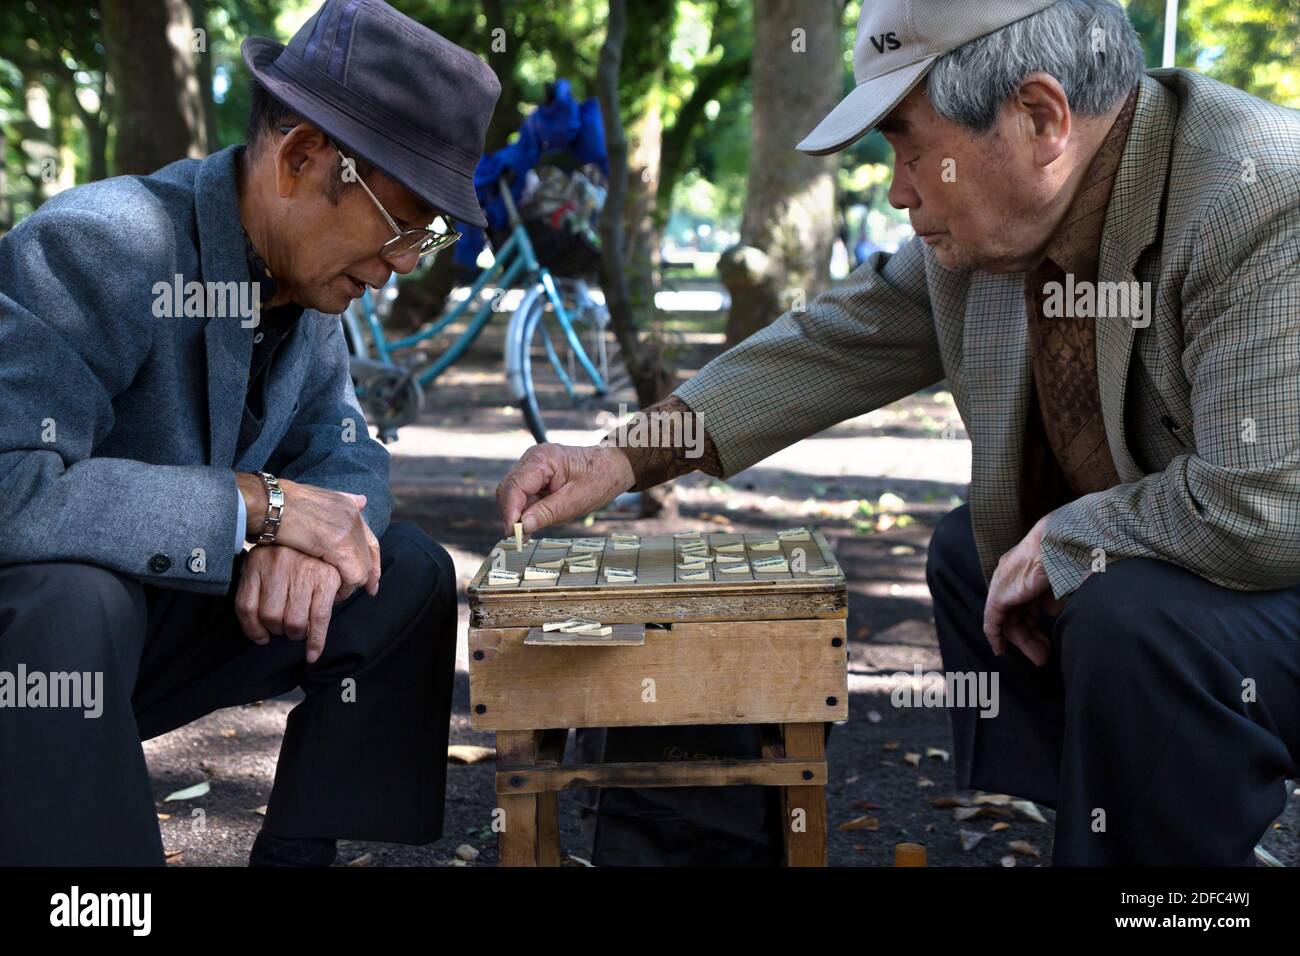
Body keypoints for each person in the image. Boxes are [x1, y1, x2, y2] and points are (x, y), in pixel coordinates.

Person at [497, 0, 1300, 865]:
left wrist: (1074, 533)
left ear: (1039, 117)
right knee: (977, 552)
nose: (897, 189)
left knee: (1120, 611)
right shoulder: (1003, 224)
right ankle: (1112, 827)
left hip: (1272, 561)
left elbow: (1267, 503)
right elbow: (831, 341)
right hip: (1216, 577)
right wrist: (620, 456)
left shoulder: (1256, 193)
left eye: (912, 149)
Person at [0, 0, 499, 865]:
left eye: (431, 232)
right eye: (402, 221)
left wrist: (306, 538)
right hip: (43, 659)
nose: (408, 261)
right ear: (301, 157)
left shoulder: (306, 284)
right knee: (71, 600)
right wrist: (253, 509)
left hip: (145, 631)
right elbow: (10, 483)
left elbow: (348, 451)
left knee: (406, 570)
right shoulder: (100, 246)